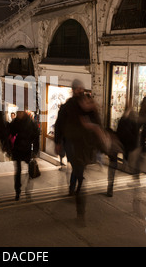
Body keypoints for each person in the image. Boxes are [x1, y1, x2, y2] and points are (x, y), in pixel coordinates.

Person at [54, 79, 100, 218]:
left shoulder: (89, 105)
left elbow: (97, 123)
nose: (80, 90)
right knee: (78, 168)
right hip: (71, 142)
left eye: (82, 88)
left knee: (78, 168)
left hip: (85, 144)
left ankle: (74, 188)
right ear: (73, 90)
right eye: (77, 88)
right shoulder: (68, 106)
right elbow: (59, 124)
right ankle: (79, 202)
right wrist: (58, 141)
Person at [8, 110, 40, 201]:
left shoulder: (30, 123)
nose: (19, 114)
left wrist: (35, 151)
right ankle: (17, 191)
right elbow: (9, 135)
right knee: (18, 171)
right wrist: (9, 148)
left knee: (30, 170)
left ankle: (27, 189)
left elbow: (36, 137)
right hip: (17, 150)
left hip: (26, 149)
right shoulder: (15, 122)